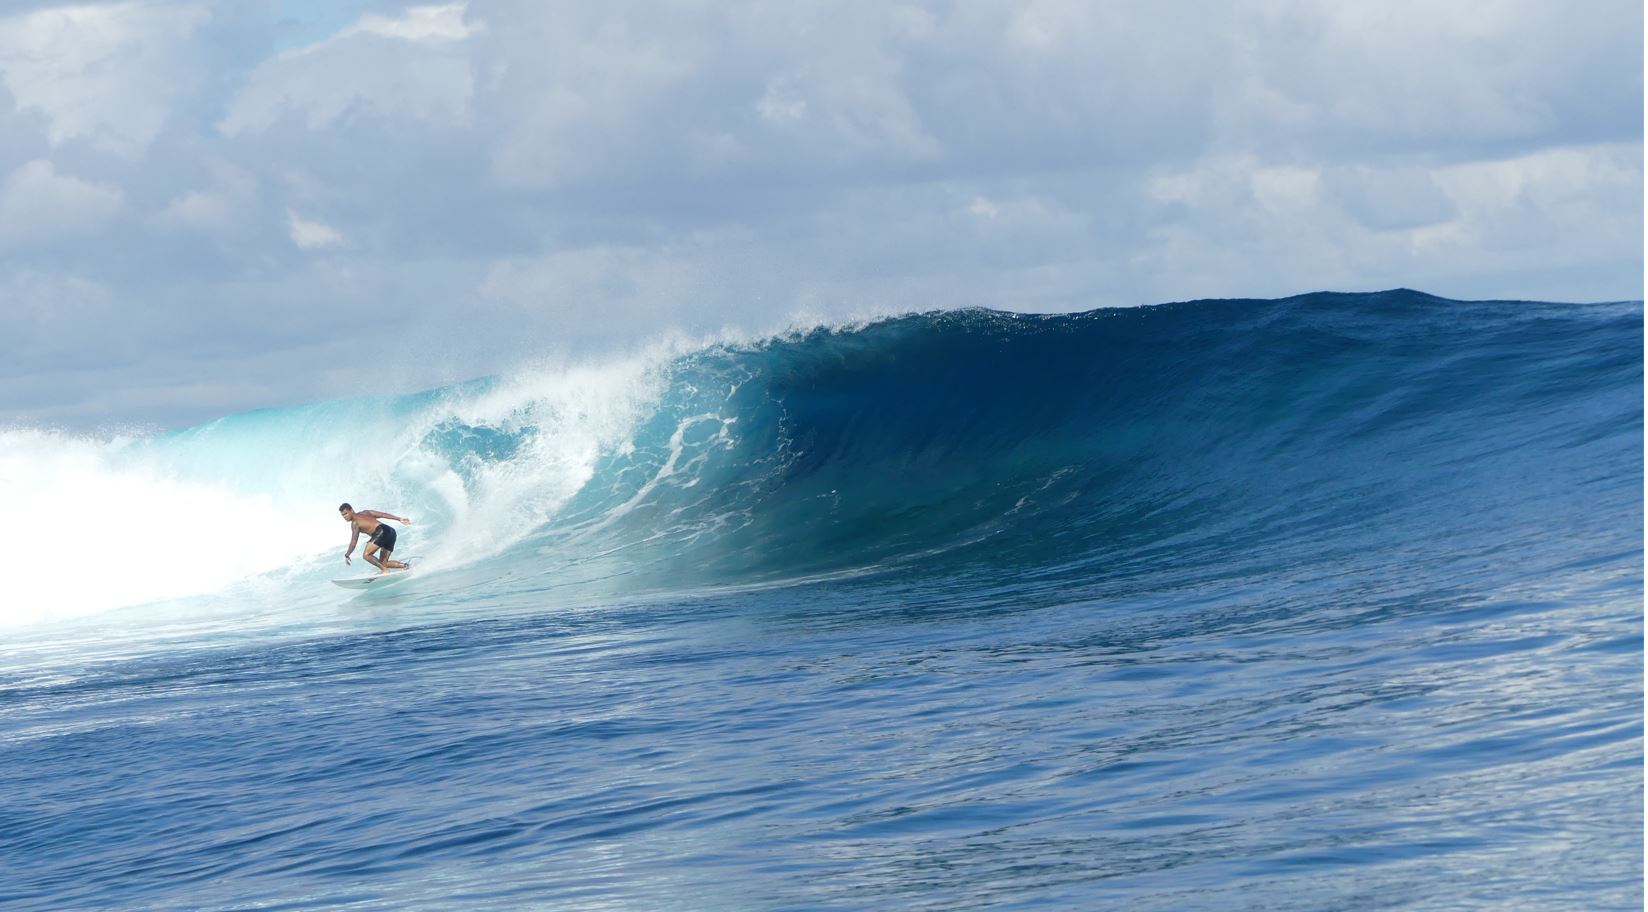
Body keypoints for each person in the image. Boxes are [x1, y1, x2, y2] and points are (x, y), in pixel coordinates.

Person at [339, 503, 413, 573]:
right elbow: (383, 514)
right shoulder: (366, 512)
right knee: (383, 563)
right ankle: (405, 565)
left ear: (351, 510)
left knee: (366, 555)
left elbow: (353, 542)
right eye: (343, 515)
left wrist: (347, 554)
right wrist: (399, 519)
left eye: (346, 513)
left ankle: (385, 570)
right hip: (391, 531)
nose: (345, 516)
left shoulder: (355, 523)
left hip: (381, 531)